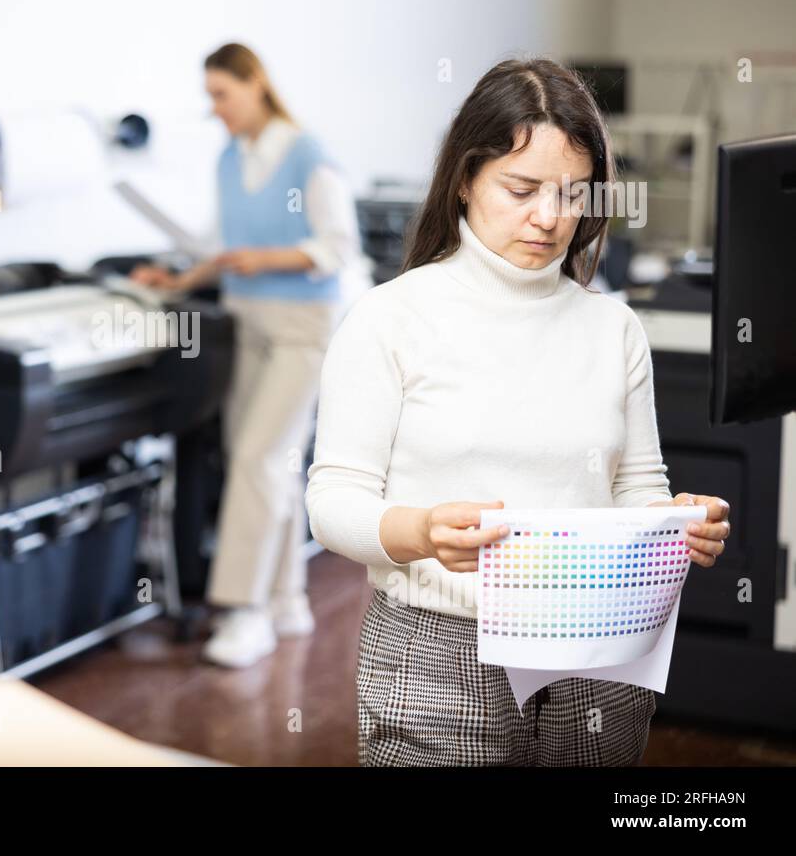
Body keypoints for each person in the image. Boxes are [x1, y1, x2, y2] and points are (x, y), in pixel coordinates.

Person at [305, 58, 731, 766]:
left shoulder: (613, 328)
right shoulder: (389, 319)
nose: (550, 217)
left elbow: (636, 489)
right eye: (522, 189)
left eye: (572, 194)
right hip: (442, 650)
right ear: (467, 178)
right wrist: (419, 531)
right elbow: (332, 502)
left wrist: (674, 524)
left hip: (601, 651)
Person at [131, 43, 370, 668]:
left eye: (221, 95)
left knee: (259, 459)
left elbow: (338, 248)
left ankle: (246, 612)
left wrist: (266, 259)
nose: (215, 109)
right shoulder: (228, 159)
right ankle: (288, 598)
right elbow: (220, 242)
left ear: (255, 84)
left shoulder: (308, 155)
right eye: (209, 97)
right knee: (267, 461)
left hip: (304, 326)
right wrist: (178, 279)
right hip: (246, 319)